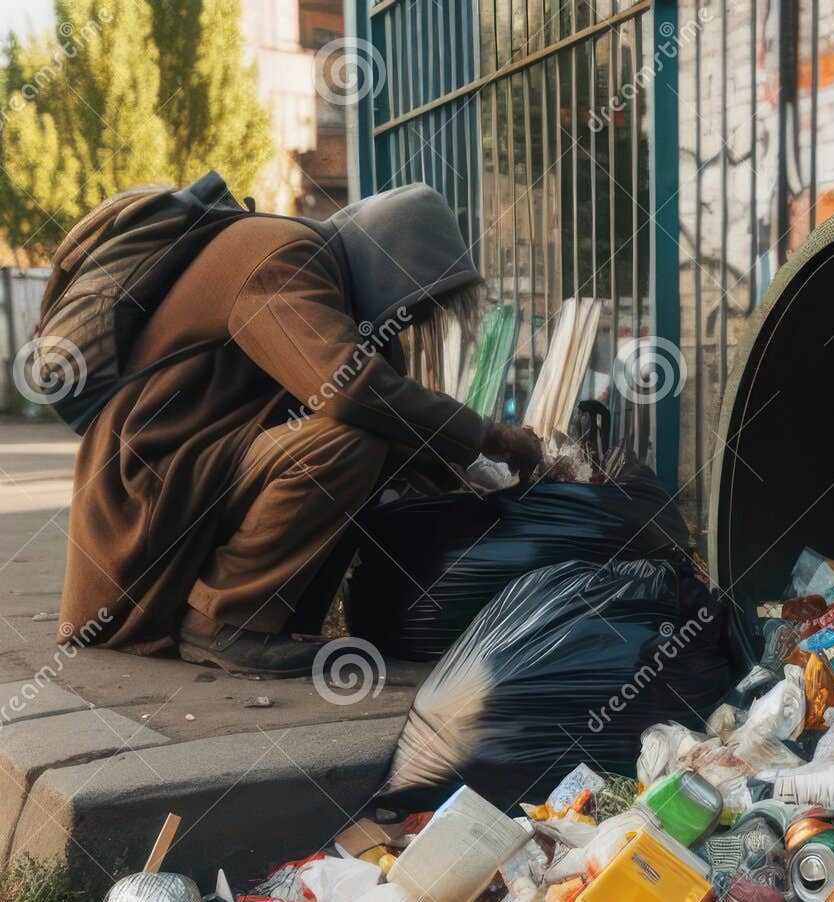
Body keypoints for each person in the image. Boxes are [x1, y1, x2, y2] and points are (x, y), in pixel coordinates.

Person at [58, 184, 543, 676]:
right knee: (347, 441)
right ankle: (221, 623)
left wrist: (467, 479)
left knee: (385, 438)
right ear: (388, 267)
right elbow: (350, 389)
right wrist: (488, 436)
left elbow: (391, 414)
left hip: (192, 473)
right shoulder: (283, 255)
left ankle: (258, 611)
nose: (409, 321)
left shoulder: (330, 284)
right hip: (144, 492)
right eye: (412, 305)